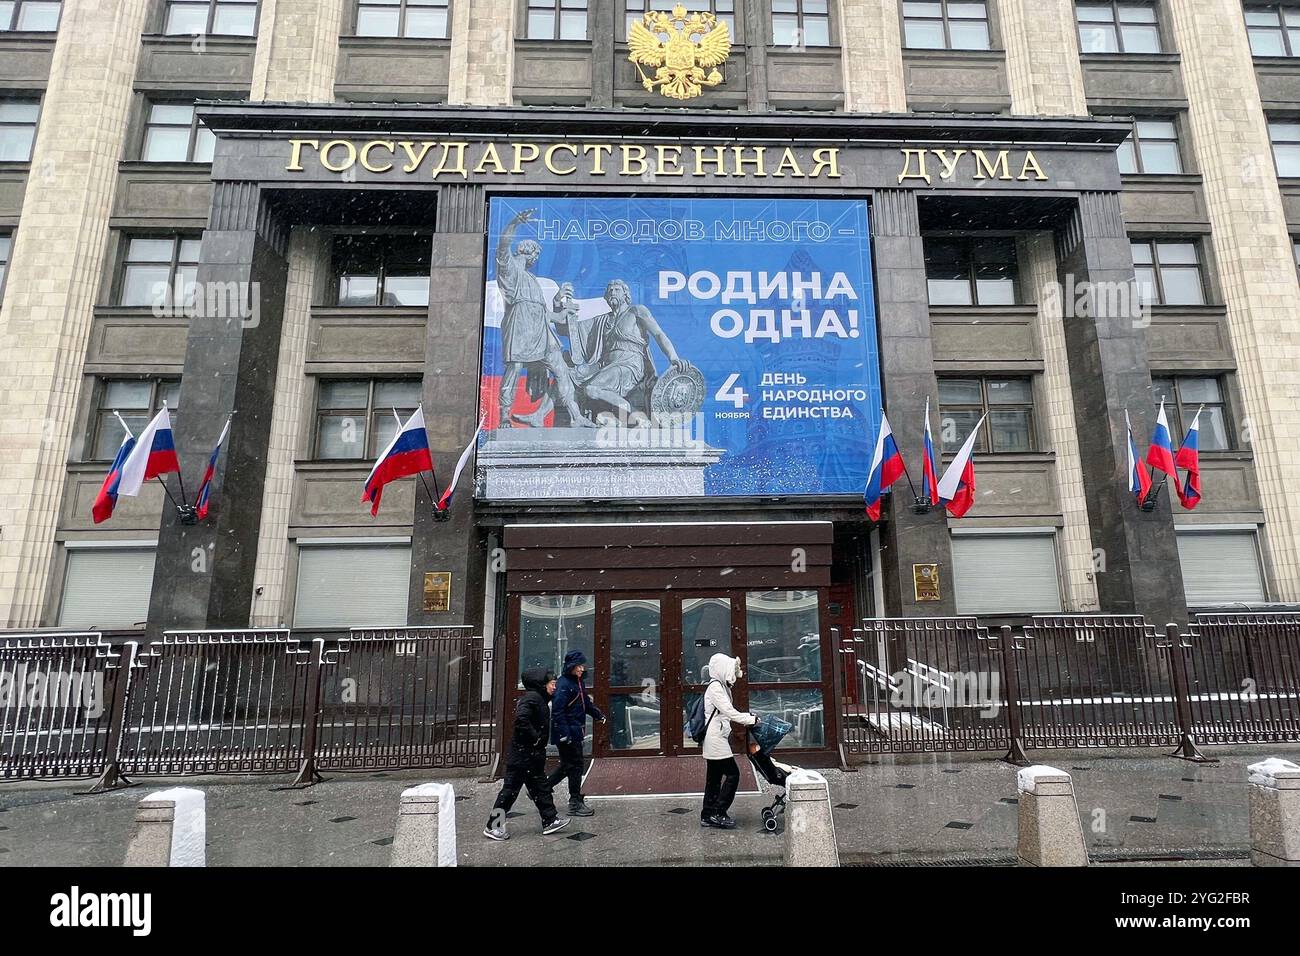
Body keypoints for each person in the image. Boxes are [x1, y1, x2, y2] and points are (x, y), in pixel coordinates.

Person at [494, 208, 593, 428]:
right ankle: (504, 416)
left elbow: (540, 311)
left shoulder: (532, 279)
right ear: (527, 252)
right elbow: (502, 245)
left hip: (541, 329)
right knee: (514, 368)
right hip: (519, 326)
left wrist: (558, 311)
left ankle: (576, 416)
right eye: (536, 255)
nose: (536, 259)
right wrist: (514, 223)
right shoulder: (509, 268)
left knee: (561, 369)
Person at [484, 667, 570, 841]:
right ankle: (493, 826)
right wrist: (536, 738)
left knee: (541, 789)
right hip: (522, 757)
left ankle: (550, 820)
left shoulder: (539, 699)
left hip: (531, 757)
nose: (555, 687)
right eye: (552, 684)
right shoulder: (532, 699)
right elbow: (521, 720)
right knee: (509, 792)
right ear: (541, 684)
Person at [700, 653, 759, 830]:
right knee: (733, 774)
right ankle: (718, 812)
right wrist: (750, 719)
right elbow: (728, 711)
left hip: (716, 738)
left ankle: (708, 814)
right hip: (715, 740)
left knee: (714, 778)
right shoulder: (715, 688)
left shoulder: (721, 686)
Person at [546, 650, 607, 817]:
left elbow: (585, 703)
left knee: (569, 765)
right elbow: (558, 711)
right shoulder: (564, 684)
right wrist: (565, 733)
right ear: (571, 667)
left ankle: (544, 789)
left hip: (574, 731)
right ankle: (574, 802)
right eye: (579, 666)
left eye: (582, 665)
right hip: (568, 734)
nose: (582, 668)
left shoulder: (577, 682)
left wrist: (597, 715)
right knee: (575, 766)